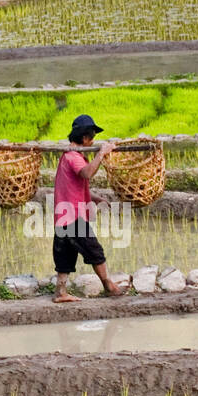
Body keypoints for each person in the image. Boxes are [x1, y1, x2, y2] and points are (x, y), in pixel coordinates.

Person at [52, 114, 123, 303]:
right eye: (92, 137)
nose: (93, 141)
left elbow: (73, 188)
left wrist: (95, 198)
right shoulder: (74, 157)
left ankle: (61, 293)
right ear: (85, 138)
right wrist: (102, 153)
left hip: (63, 215)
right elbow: (86, 173)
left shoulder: (67, 157)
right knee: (94, 250)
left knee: (65, 255)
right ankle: (109, 285)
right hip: (73, 216)